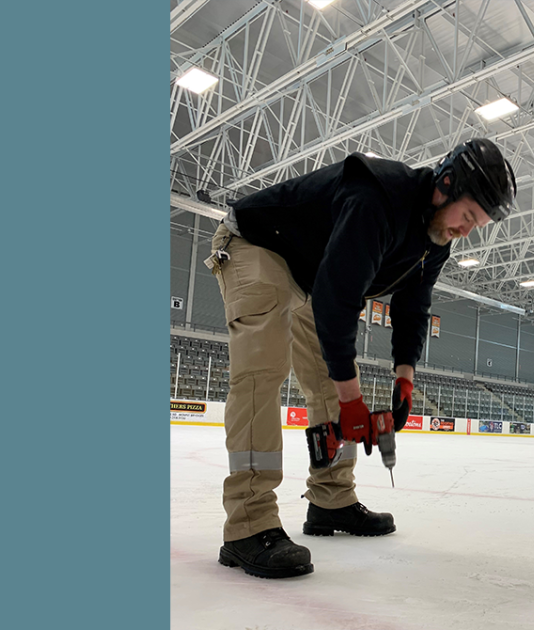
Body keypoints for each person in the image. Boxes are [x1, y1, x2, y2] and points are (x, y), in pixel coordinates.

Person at [204, 139, 517, 579]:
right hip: (258, 244)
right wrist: (353, 401)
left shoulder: (436, 239)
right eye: (468, 216)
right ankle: (248, 524)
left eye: (477, 225)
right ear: (445, 185)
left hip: (311, 275)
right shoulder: (377, 197)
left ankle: (331, 500)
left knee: (330, 384)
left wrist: (404, 379)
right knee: (263, 372)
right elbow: (339, 301)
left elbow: (413, 307)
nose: (467, 230)